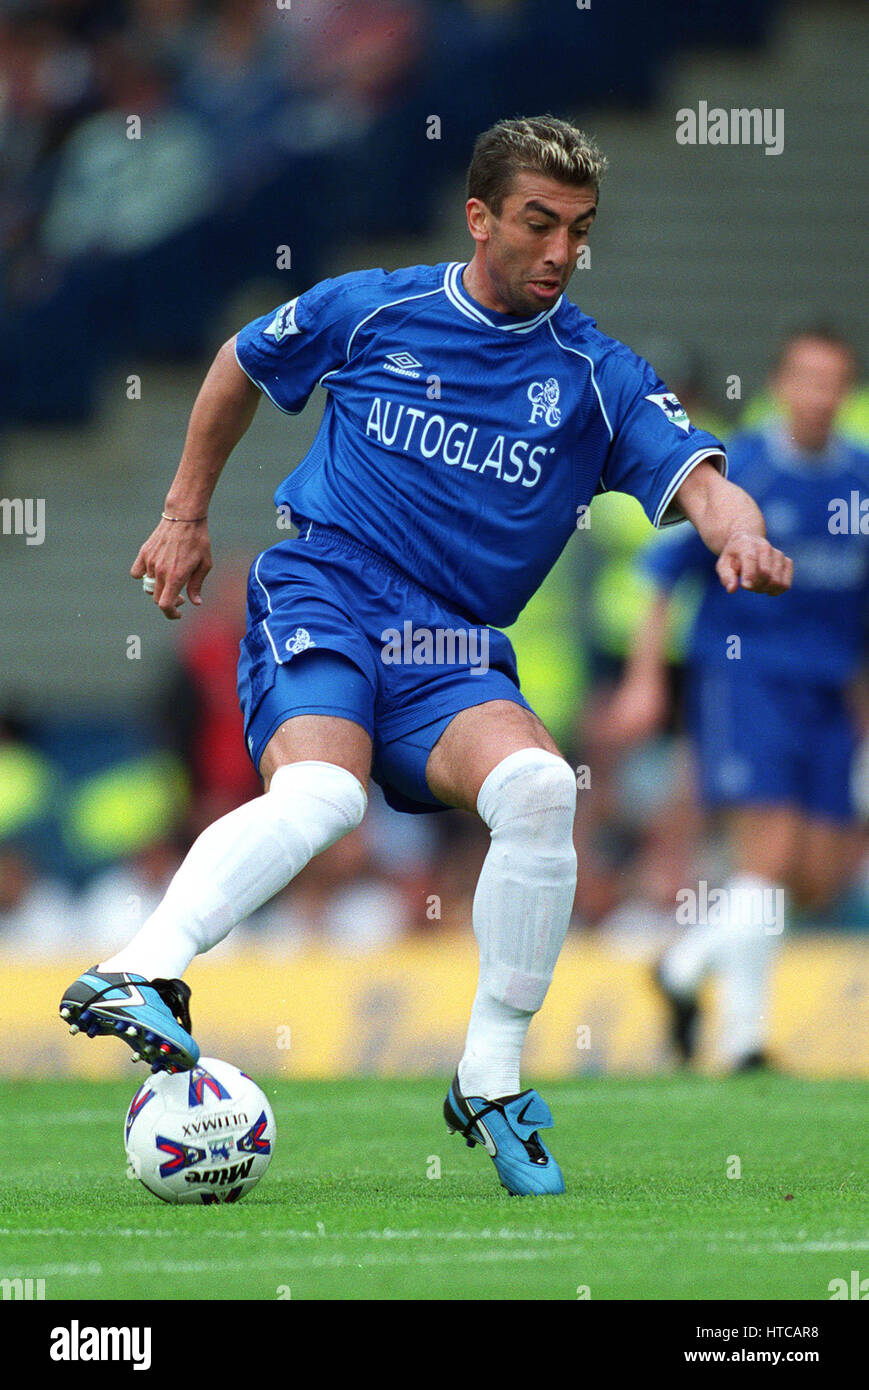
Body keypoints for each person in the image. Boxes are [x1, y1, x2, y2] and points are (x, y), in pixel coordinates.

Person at [59, 115, 792, 1195]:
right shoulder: (377, 308)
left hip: (448, 641)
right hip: (326, 584)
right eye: (537, 224)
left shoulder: (594, 374)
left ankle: (490, 1081)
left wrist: (738, 530)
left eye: (578, 231)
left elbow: (697, 479)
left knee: (541, 787)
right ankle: (143, 968)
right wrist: (184, 513)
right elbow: (240, 360)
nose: (558, 252)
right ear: (479, 216)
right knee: (321, 795)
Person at [605, 326, 866, 1071]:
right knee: (768, 856)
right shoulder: (740, 470)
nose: (817, 396)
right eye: (805, 379)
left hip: (827, 694)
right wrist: (645, 680)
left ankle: (681, 969)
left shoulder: (860, 482)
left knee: (813, 878)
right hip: (747, 679)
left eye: (832, 383)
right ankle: (745, 1039)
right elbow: (661, 573)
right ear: (780, 386)